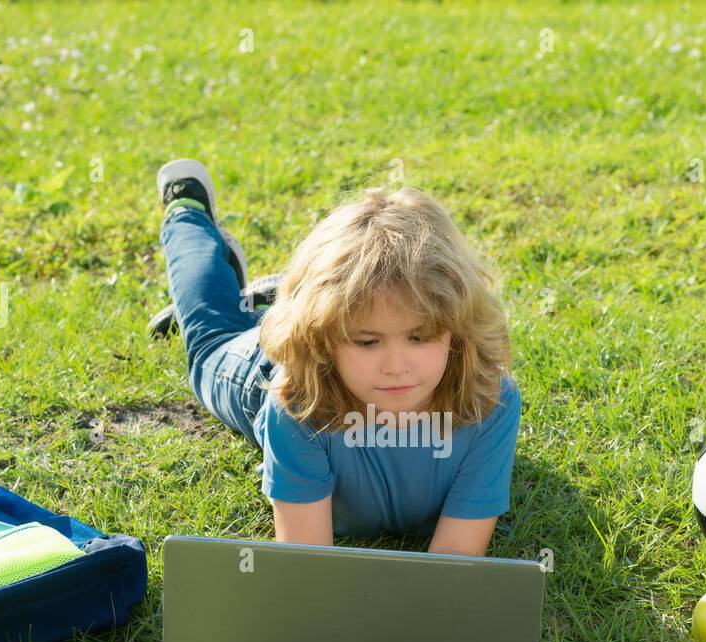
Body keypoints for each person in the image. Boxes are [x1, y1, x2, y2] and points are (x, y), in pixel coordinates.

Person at [153, 159, 522, 557]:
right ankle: (187, 213)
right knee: (209, 330)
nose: (396, 365)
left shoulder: (490, 399)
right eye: (367, 341)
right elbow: (309, 566)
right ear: (323, 337)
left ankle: (287, 299)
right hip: (265, 369)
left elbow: (455, 563)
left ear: (458, 328)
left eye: (420, 336)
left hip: (326, 316)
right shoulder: (295, 402)